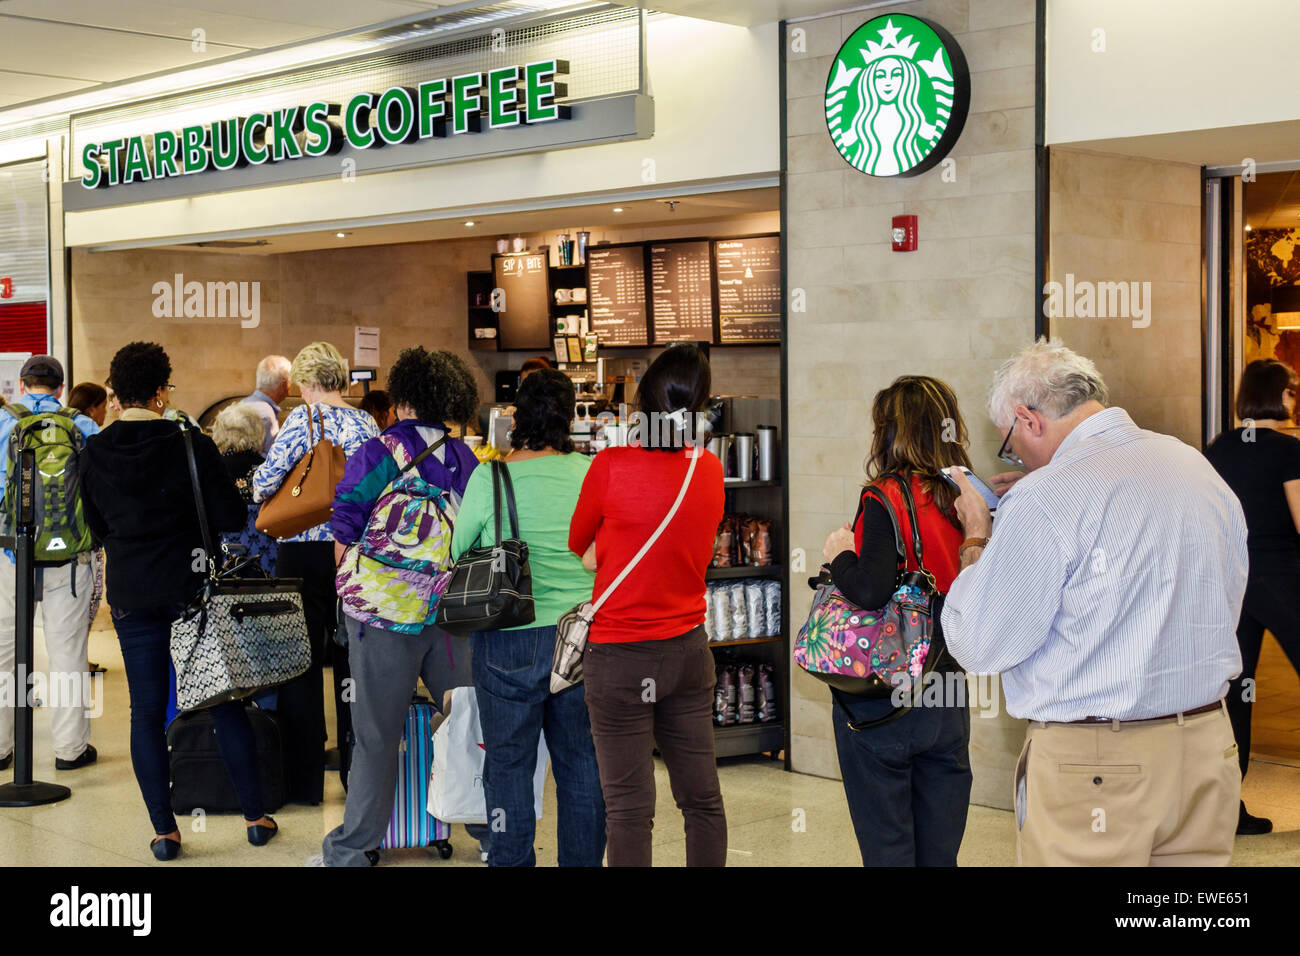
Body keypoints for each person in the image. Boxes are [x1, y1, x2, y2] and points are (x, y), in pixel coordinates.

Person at [941, 340, 1248, 866]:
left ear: (1028, 419)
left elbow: (979, 644)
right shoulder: (1194, 466)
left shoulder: (1045, 499)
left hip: (1099, 766)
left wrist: (979, 535)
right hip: (1207, 747)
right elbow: (1226, 590)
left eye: (1011, 446)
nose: (1018, 459)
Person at [80, 342, 279, 859]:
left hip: (130, 592)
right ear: (162, 391)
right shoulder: (191, 444)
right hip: (192, 589)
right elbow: (231, 519)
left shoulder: (96, 451)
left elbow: (95, 527)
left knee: (146, 711)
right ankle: (255, 819)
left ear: (117, 394)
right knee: (222, 701)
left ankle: (165, 833)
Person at [318, 347, 481, 867]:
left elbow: (344, 531)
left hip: (381, 617)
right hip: (450, 615)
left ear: (404, 396)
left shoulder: (378, 452)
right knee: (467, 727)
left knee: (376, 736)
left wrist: (352, 589)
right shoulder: (464, 457)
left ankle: (353, 849)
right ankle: (497, 837)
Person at [568, 344, 726, 867]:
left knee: (630, 809)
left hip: (619, 656)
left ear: (642, 404)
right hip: (687, 650)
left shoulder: (610, 465)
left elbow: (580, 546)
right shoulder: (706, 469)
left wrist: (609, 554)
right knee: (701, 800)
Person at [450, 368, 606, 867]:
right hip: (582, 638)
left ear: (515, 416)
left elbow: (459, 551)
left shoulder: (489, 475)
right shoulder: (591, 473)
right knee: (583, 767)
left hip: (508, 638)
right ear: (569, 417)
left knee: (509, 767)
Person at [818, 375, 972, 866]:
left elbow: (869, 590)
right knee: (938, 854)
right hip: (948, 695)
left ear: (889, 432)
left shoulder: (884, 496)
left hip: (885, 701)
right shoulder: (965, 495)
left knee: (889, 852)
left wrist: (839, 556)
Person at [253, 342, 377, 805]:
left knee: (301, 664)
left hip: (302, 555)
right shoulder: (367, 423)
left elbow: (265, 483)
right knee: (353, 666)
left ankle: (304, 781)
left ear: (305, 382)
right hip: (353, 555)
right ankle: (355, 775)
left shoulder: (300, 422)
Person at [1204, 358, 1300, 836]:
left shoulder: (1220, 448)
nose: (1292, 399)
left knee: (1235, 694)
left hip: (1231, 583)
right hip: (1283, 579)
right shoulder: (1288, 450)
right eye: (1290, 391)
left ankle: (1227, 810)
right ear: (1277, 395)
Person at [0, 356, 100, 774]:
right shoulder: (83, 426)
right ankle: (70, 749)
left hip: (10, 555)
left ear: (23, 386)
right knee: (67, 652)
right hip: (70, 558)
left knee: (3, 651)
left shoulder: (4, 422)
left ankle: (1, 748)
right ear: (60, 388)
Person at [67, 381, 110, 670]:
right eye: (104, 407)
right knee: (91, 596)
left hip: (60, 527)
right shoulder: (91, 430)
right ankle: (79, 660)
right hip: (88, 530)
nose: (105, 414)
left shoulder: (61, 421)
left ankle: (76, 658)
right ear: (94, 407)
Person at [212, 402, 278, 577]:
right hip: (266, 556)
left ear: (218, 432)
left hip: (223, 555)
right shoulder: (268, 470)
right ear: (258, 433)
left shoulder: (212, 469)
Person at [245, 355, 291, 455]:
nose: (289, 390)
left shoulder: (243, 403)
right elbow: (272, 457)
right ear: (283, 385)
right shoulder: (267, 415)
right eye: (289, 383)